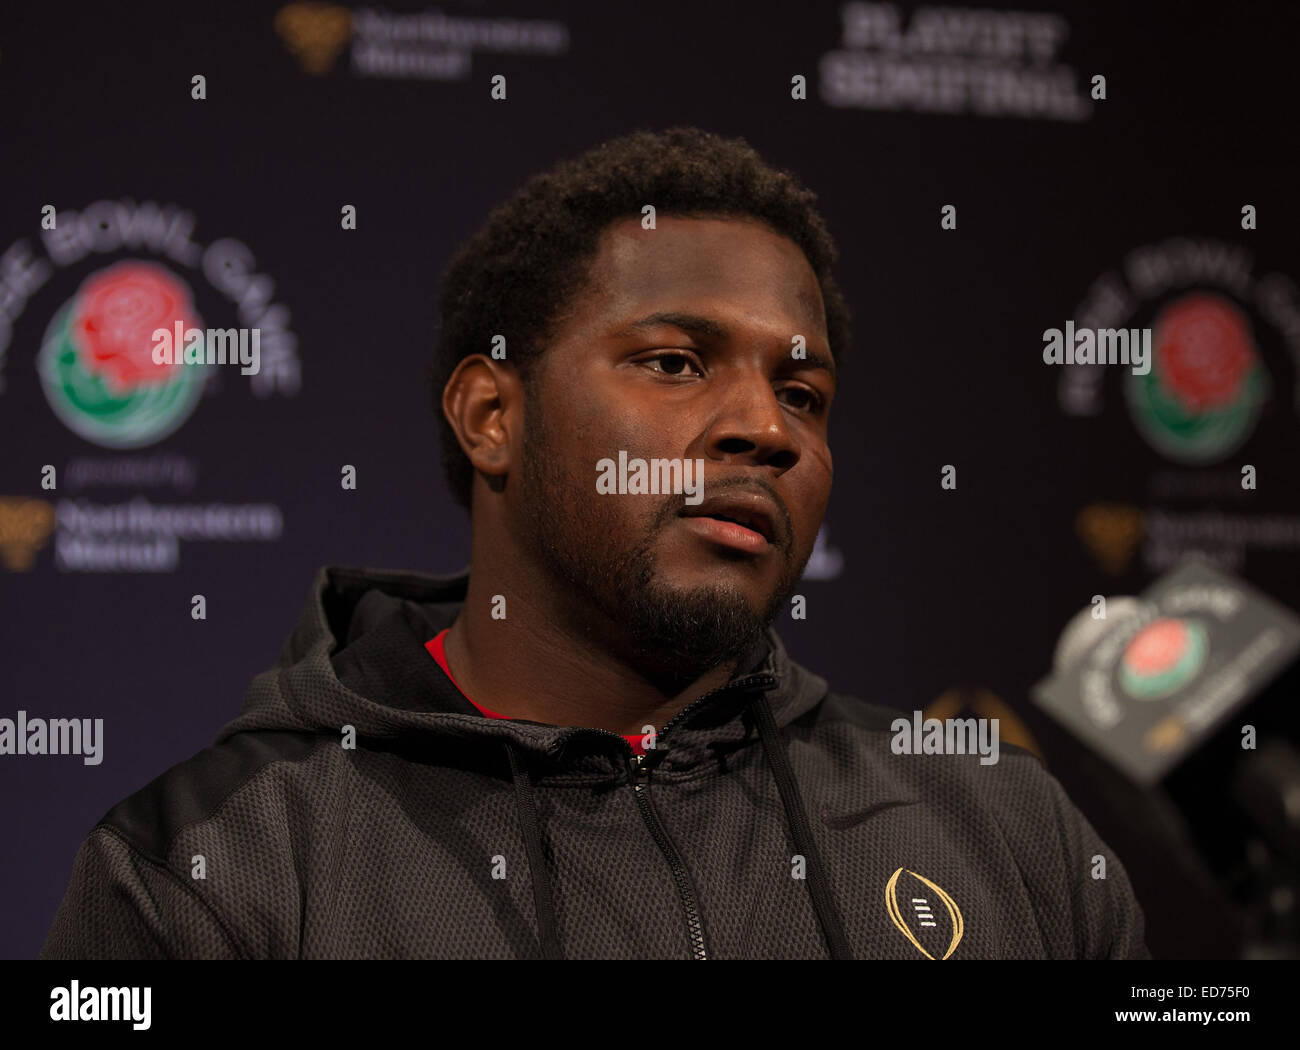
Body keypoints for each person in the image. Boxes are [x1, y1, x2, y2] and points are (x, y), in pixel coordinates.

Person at [40, 127, 1150, 959]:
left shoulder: (1003, 826)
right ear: (490, 416)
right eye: (674, 362)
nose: (763, 428)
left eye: (802, 392)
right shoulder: (212, 863)